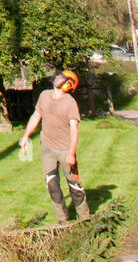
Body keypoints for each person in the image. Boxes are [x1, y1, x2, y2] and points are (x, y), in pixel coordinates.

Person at [19, 69, 90, 224]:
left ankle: (84, 219)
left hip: (65, 150)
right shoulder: (44, 96)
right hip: (47, 147)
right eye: (59, 76)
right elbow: (36, 116)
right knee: (51, 183)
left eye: (63, 78)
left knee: (74, 185)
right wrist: (26, 136)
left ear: (68, 85)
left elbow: (74, 129)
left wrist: (71, 153)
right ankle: (63, 221)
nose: (58, 78)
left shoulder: (70, 102)